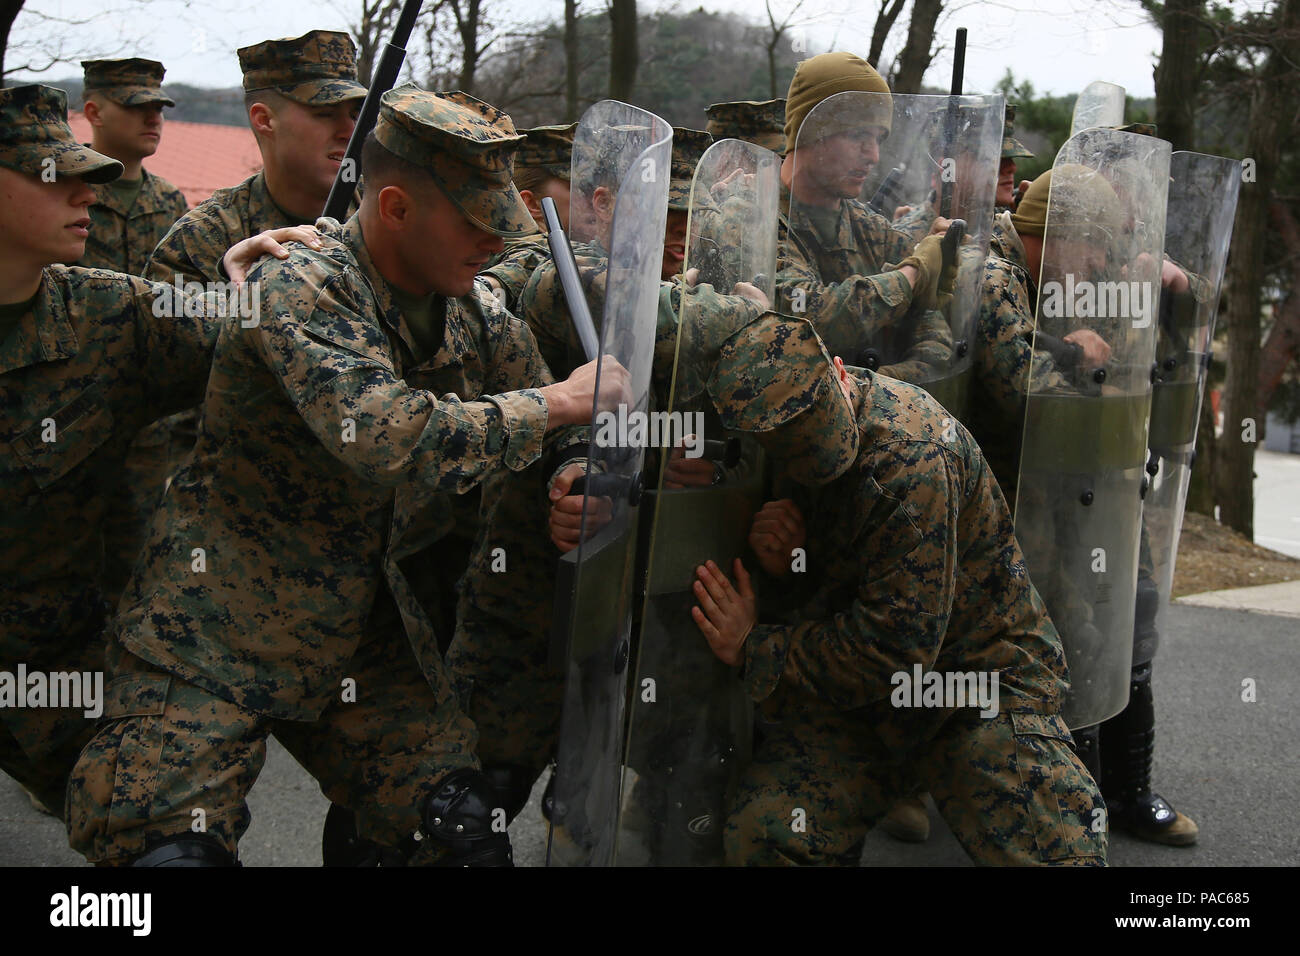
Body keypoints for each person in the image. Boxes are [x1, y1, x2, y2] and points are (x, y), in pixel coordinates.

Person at [67, 86, 623, 867]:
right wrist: (559, 405)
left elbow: (548, 415)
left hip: (360, 637)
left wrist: (570, 475)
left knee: (459, 838)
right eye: (475, 224)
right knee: (167, 857)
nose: (495, 245)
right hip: (218, 627)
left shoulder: (473, 308)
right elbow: (388, 434)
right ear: (395, 208)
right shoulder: (297, 286)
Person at [691, 311, 1106, 866]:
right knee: (769, 831)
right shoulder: (772, 442)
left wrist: (755, 646)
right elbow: (844, 575)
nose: (806, 448)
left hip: (975, 684)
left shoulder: (911, 457)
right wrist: (788, 564)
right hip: (868, 709)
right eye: (789, 440)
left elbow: (894, 649)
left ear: (839, 371)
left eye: (815, 420)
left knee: (1059, 857)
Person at [0, 83, 310, 821]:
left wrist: (261, 282)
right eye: (52, 174)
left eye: (83, 169)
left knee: (160, 825)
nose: (85, 190)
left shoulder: (105, 315)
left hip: (57, 678)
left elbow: (254, 336)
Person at [75, 58, 187, 274]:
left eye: (158, 108)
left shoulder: (170, 201)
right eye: (137, 107)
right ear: (95, 113)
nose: (154, 120)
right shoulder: (62, 192)